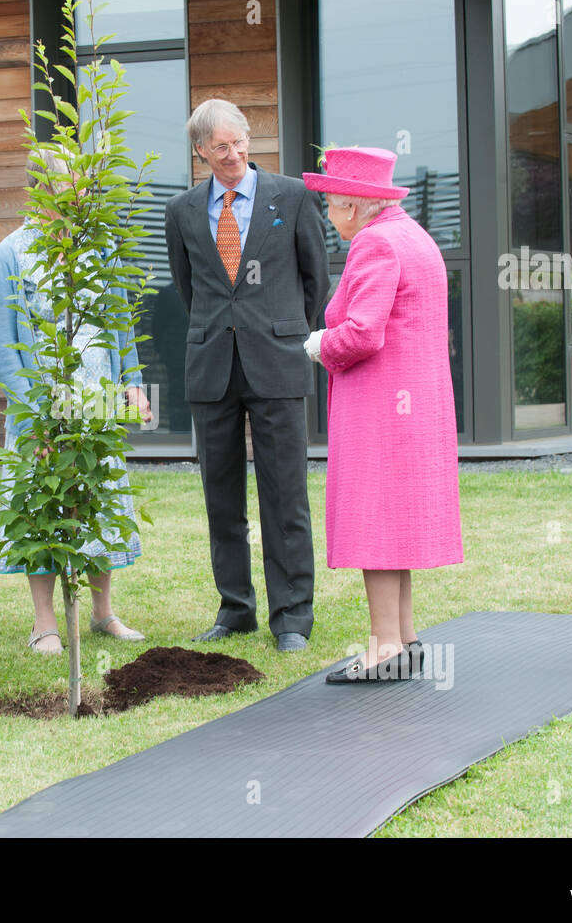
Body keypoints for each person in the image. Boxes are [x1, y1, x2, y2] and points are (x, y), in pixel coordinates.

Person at [164, 99, 328, 652]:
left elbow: (315, 281)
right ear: (200, 152)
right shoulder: (182, 211)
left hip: (277, 363)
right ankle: (235, 609)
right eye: (220, 148)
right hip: (211, 365)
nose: (233, 155)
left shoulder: (294, 197)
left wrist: (284, 333)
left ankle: (291, 619)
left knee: (286, 495)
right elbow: (189, 290)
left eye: (239, 143)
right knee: (221, 496)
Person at [302, 147, 462, 682]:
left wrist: (319, 344)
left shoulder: (373, 242)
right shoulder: (413, 235)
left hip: (380, 407)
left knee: (374, 521)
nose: (327, 213)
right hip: (416, 405)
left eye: (329, 202)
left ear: (352, 205)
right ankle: (405, 638)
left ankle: (384, 647)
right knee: (395, 521)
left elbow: (363, 332)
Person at [0, 149, 151, 654]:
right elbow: (6, 351)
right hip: (42, 407)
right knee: (42, 505)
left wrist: (133, 381)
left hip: (97, 402)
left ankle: (102, 614)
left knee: (97, 500)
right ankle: (45, 623)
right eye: (73, 186)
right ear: (45, 192)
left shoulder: (98, 250)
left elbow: (120, 322)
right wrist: (34, 418)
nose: (84, 194)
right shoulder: (11, 254)